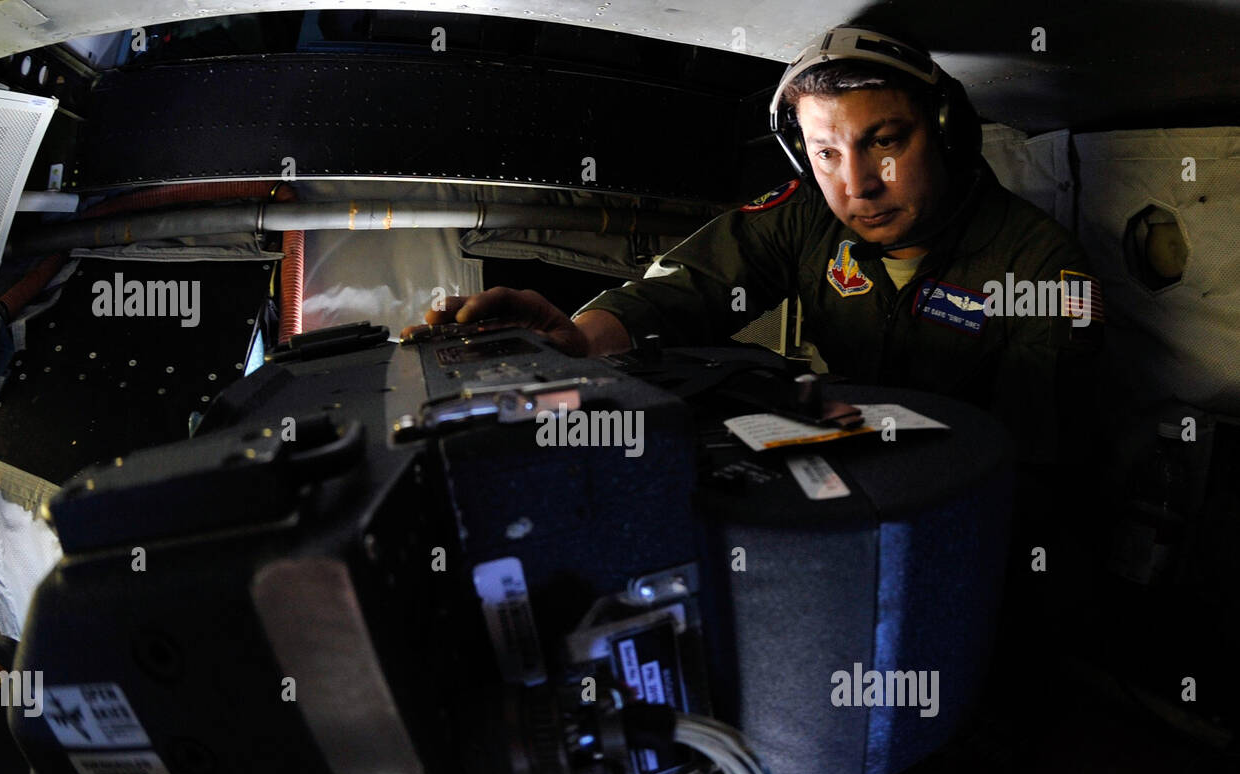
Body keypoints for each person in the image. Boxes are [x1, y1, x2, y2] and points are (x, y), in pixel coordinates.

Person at [405, 23, 1103, 481]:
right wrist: (580, 338)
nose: (856, 184)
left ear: (948, 135)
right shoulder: (806, 216)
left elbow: (1032, 466)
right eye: (827, 153)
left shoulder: (1044, 270)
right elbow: (692, 286)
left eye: (885, 142)